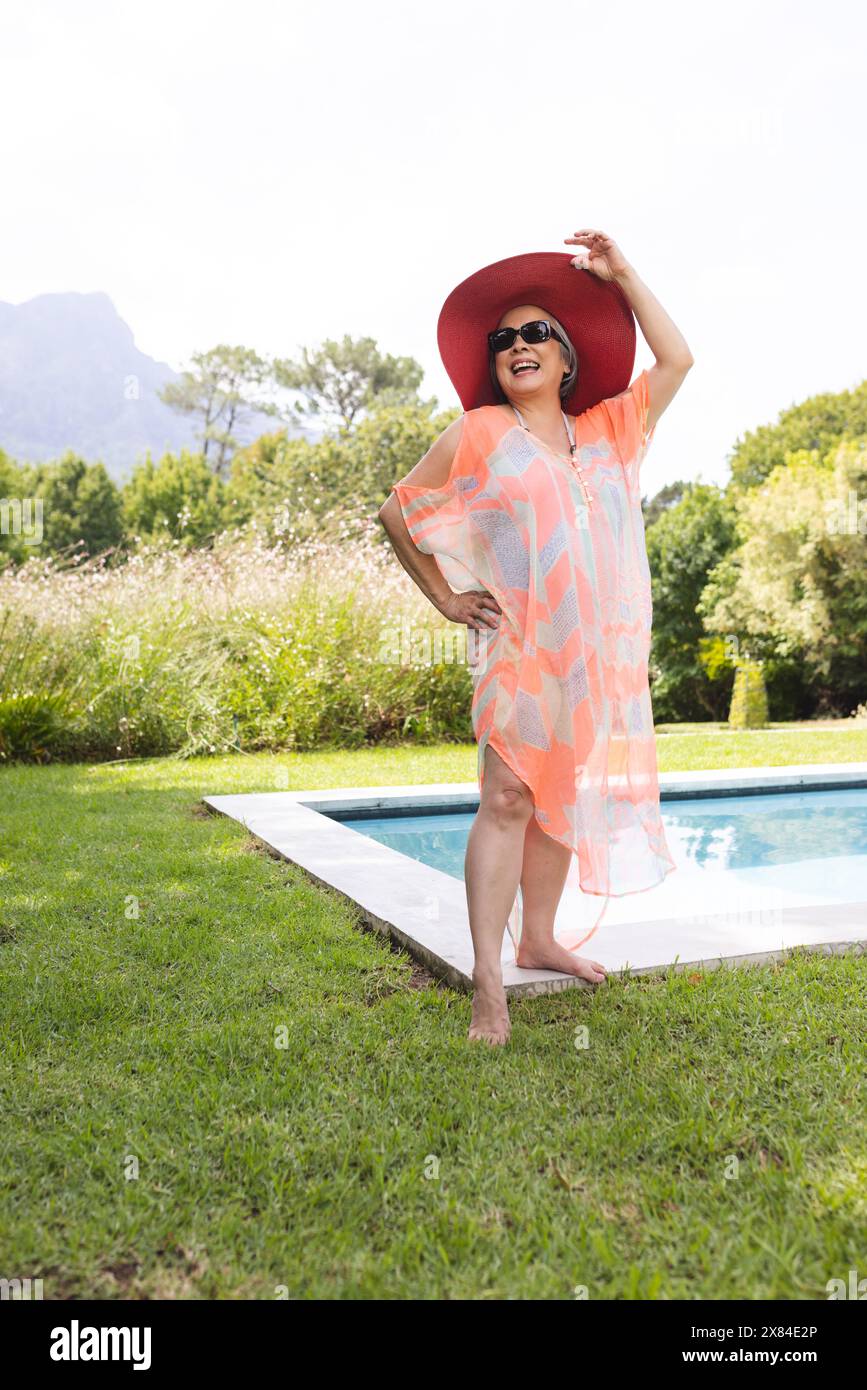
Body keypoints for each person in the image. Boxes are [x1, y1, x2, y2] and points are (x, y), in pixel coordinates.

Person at [378, 231, 693, 1045]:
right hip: (519, 651)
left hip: (593, 655)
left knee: (556, 805)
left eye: (534, 335)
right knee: (510, 797)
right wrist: (446, 599)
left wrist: (623, 273)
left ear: (565, 362)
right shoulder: (480, 432)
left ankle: (540, 937)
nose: (517, 345)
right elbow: (397, 510)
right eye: (503, 339)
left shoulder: (612, 430)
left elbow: (677, 360)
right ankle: (490, 982)